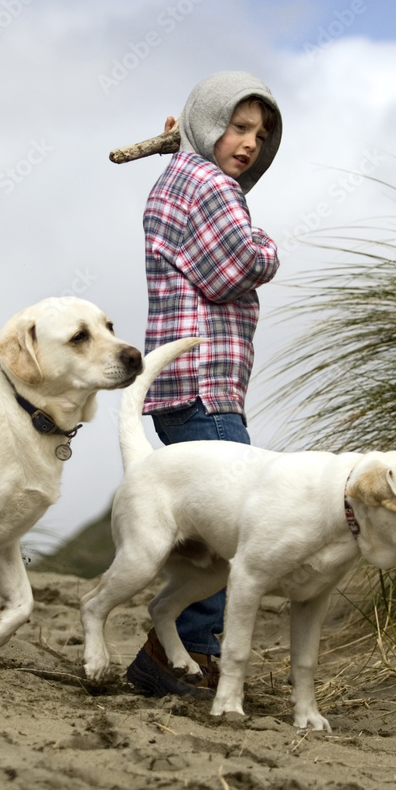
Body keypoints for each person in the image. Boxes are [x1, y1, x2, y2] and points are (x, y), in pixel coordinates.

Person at [125, 70, 282, 699]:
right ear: (208, 124)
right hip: (204, 383)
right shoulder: (209, 183)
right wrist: (269, 246)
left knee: (203, 533)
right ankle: (185, 656)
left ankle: (172, 654)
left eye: (261, 134)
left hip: (181, 384)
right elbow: (240, 266)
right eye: (238, 127)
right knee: (231, 532)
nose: (250, 143)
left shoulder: (180, 176)